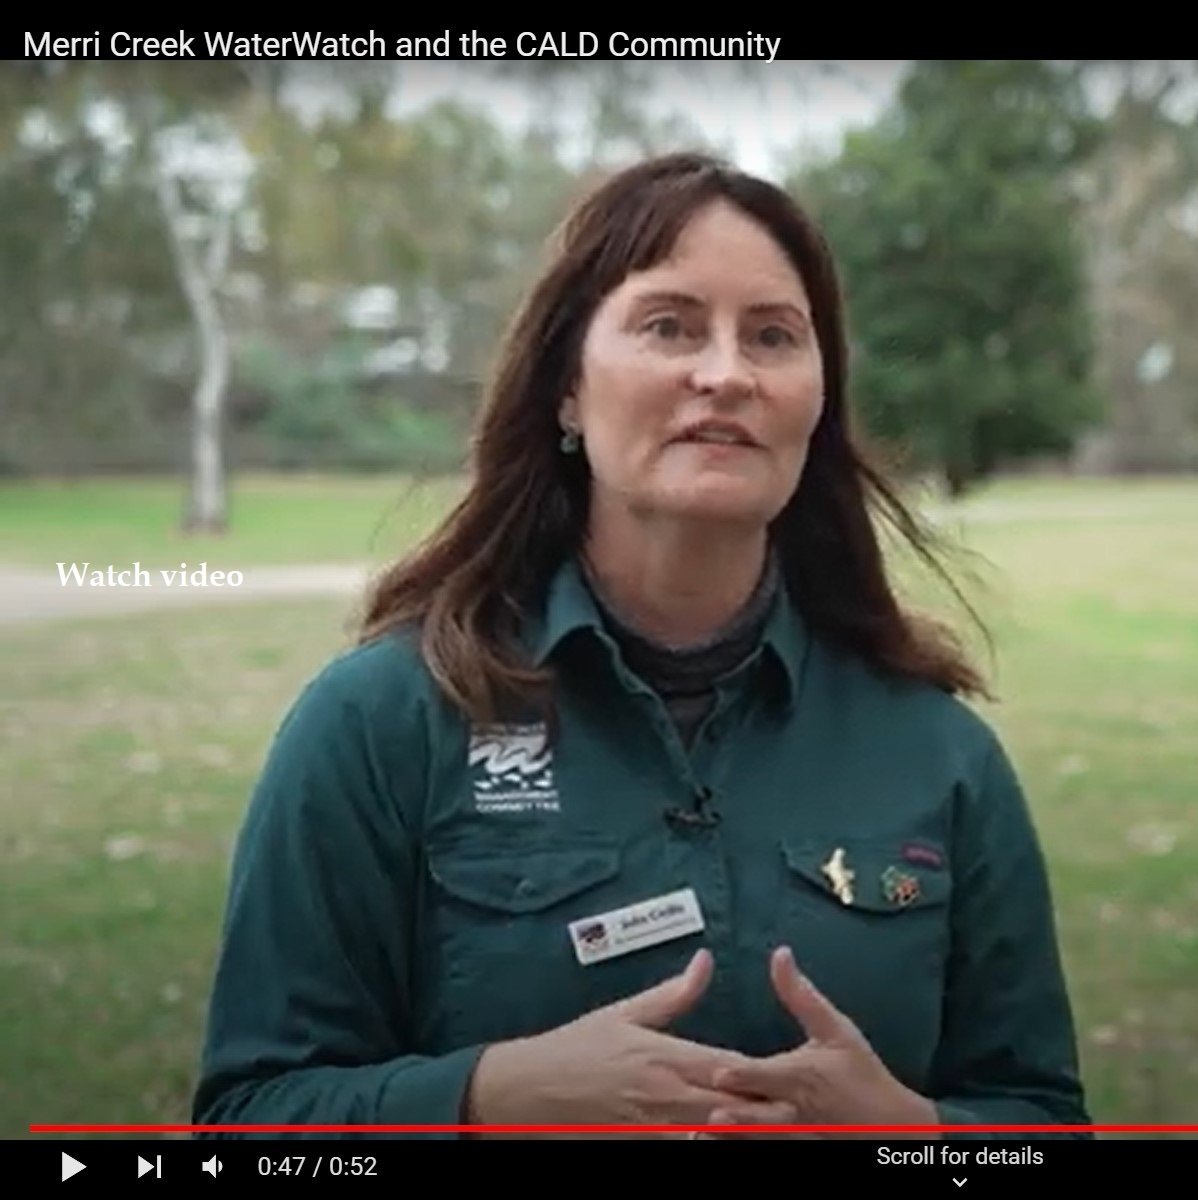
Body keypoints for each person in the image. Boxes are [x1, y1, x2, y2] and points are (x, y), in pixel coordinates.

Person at [190, 152, 1090, 1140]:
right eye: (669, 325)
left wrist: (909, 1136)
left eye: (773, 336)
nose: (726, 374)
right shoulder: (383, 724)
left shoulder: (936, 754)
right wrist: (486, 1099)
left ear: (818, 398)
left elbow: (1037, 1119)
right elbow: (251, 1119)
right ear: (567, 390)